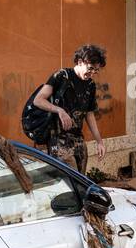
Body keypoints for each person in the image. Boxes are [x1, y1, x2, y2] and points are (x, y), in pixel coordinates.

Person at [33, 44, 107, 174]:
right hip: (59, 140)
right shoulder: (61, 76)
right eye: (90, 68)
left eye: (96, 70)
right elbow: (38, 100)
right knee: (70, 180)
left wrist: (99, 141)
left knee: (81, 181)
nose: (92, 73)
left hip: (79, 141)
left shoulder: (90, 85)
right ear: (80, 61)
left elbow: (89, 114)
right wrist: (59, 110)